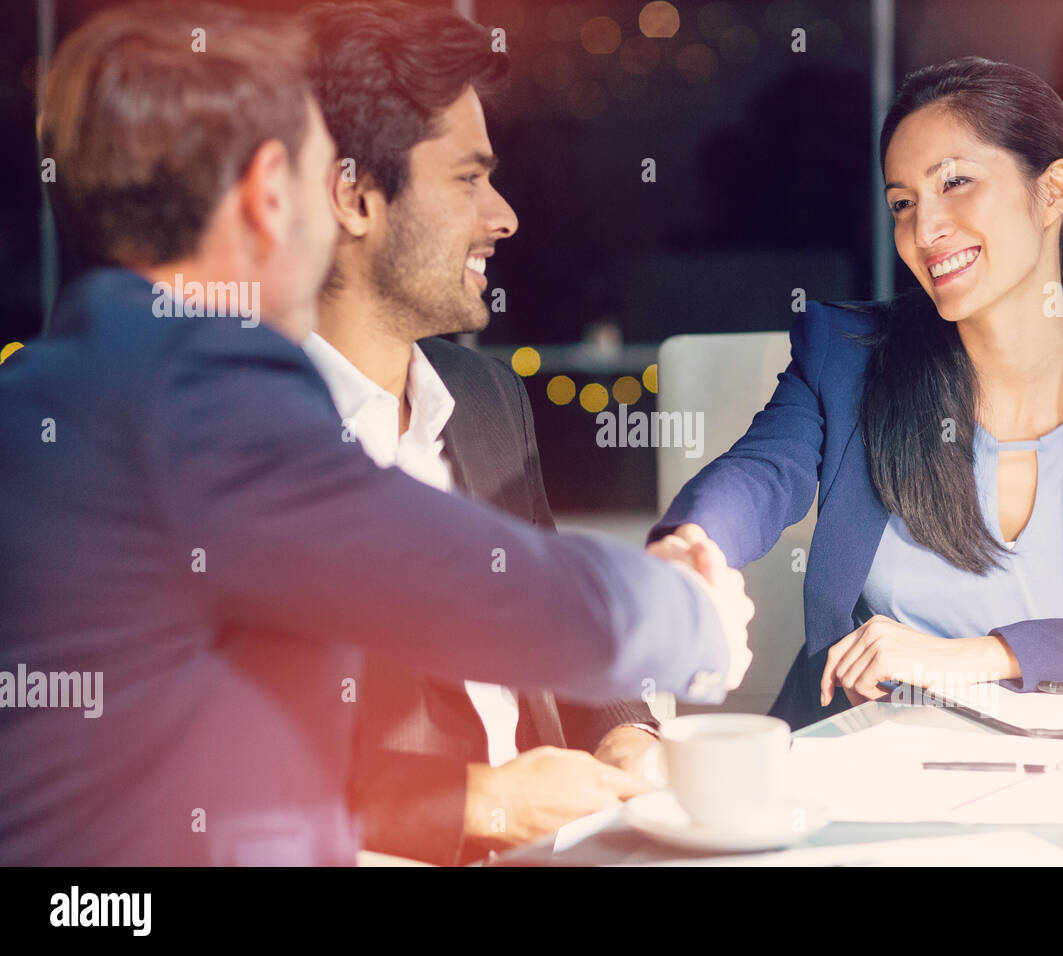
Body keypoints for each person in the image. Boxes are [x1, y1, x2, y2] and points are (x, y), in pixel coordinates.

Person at [0, 2, 751, 865]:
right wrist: (692, 616)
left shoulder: (68, 381)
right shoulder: (194, 388)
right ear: (276, 193)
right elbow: (477, 591)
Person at [650, 56, 1063, 731]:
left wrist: (981, 656)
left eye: (956, 182)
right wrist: (692, 545)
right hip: (869, 767)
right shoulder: (848, 354)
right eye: (903, 203)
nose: (925, 231)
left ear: (1052, 191)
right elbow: (760, 475)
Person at [299, 1, 662, 863]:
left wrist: (623, 733)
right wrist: (486, 804)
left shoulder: (488, 400)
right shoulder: (226, 444)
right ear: (354, 197)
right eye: (468, 179)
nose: (503, 217)